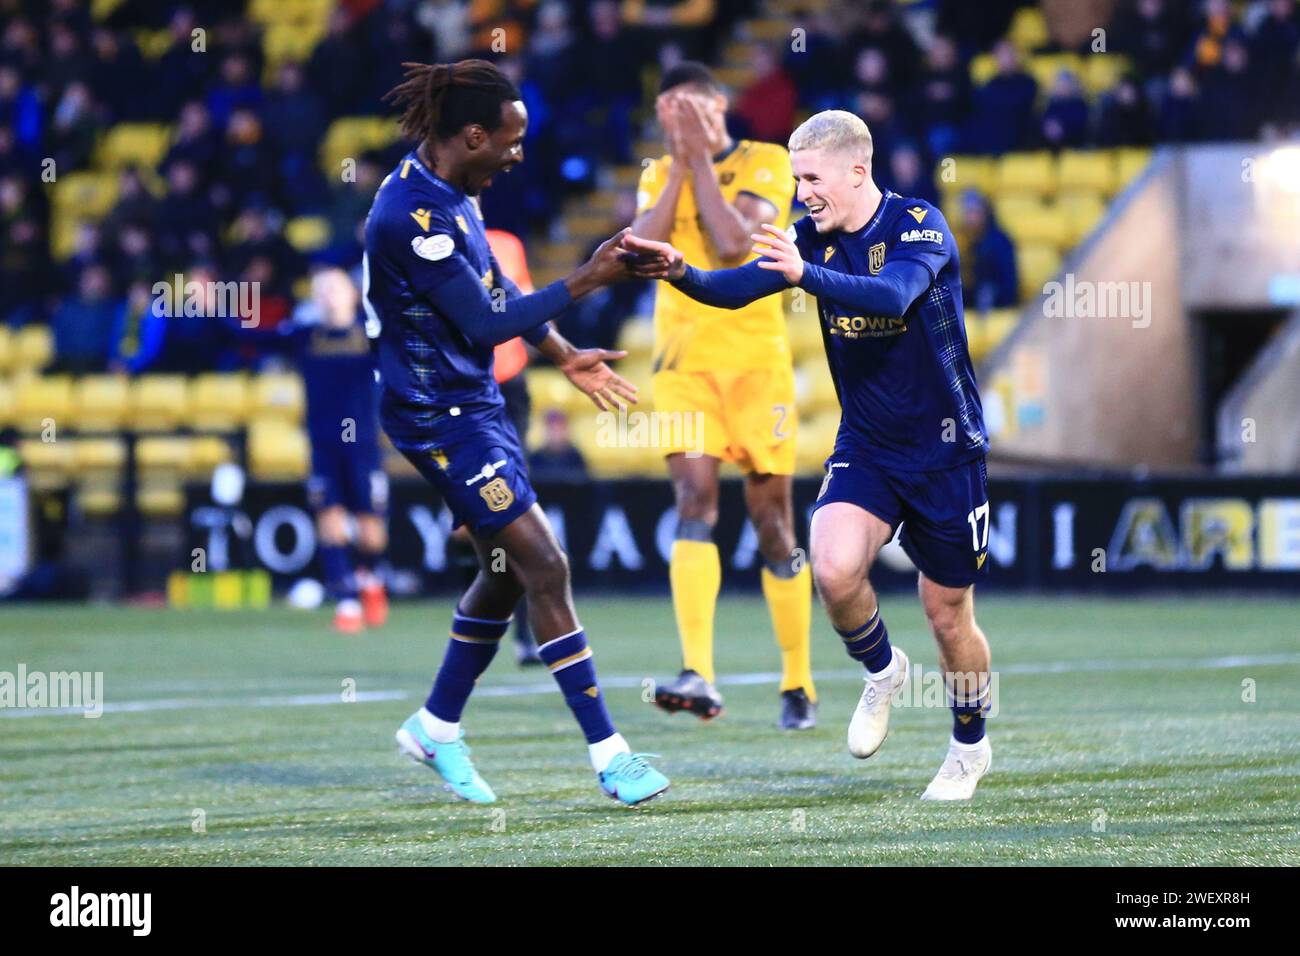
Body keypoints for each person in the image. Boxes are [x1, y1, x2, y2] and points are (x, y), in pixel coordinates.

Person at [624, 110, 995, 800]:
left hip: (947, 451)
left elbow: (895, 295)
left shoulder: (919, 226)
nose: (803, 194)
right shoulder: (809, 240)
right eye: (796, 179)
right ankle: (883, 670)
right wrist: (680, 272)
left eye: (812, 179)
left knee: (948, 615)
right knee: (830, 567)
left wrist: (803, 276)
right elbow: (733, 290)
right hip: (869, 445)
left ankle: (970, 746)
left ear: (858, 172)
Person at [363, 59, 671, 806]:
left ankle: (436, 726)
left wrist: (565, 356)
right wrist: (592, 276)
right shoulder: (412, 216)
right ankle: (610, 754)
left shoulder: (453, 193)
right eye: (510, 140)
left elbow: (494, 288)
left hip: (477, 407)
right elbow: (487, 322)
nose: (517, 153)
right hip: (439, 420)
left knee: (505, 570)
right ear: (472, 136)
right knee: (544, 562)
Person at [631, 61, 817, 731]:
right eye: (669, 113)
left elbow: (735, 244)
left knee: (774, 527)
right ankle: (697, 671)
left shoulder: (768, 159)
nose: (679, 124)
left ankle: (798, 680)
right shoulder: (657, 173)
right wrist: (681, 164)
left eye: (692, 111)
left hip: (756, 366)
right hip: (684, 367)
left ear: (720, 110)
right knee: (693, 501)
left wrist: (699, 162)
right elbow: (642, 245)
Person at [294, 268, 390, 633]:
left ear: (352, 294)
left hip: (363, 446)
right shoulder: (305, 336)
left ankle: (370, 576)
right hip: (322, 445)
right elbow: (247, 338)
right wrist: (213, 306)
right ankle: (347, 599)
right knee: (330, 519)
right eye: (320, 290)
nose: (326, 296)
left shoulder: (370, 334)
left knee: (370, 530)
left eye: (333, 288)